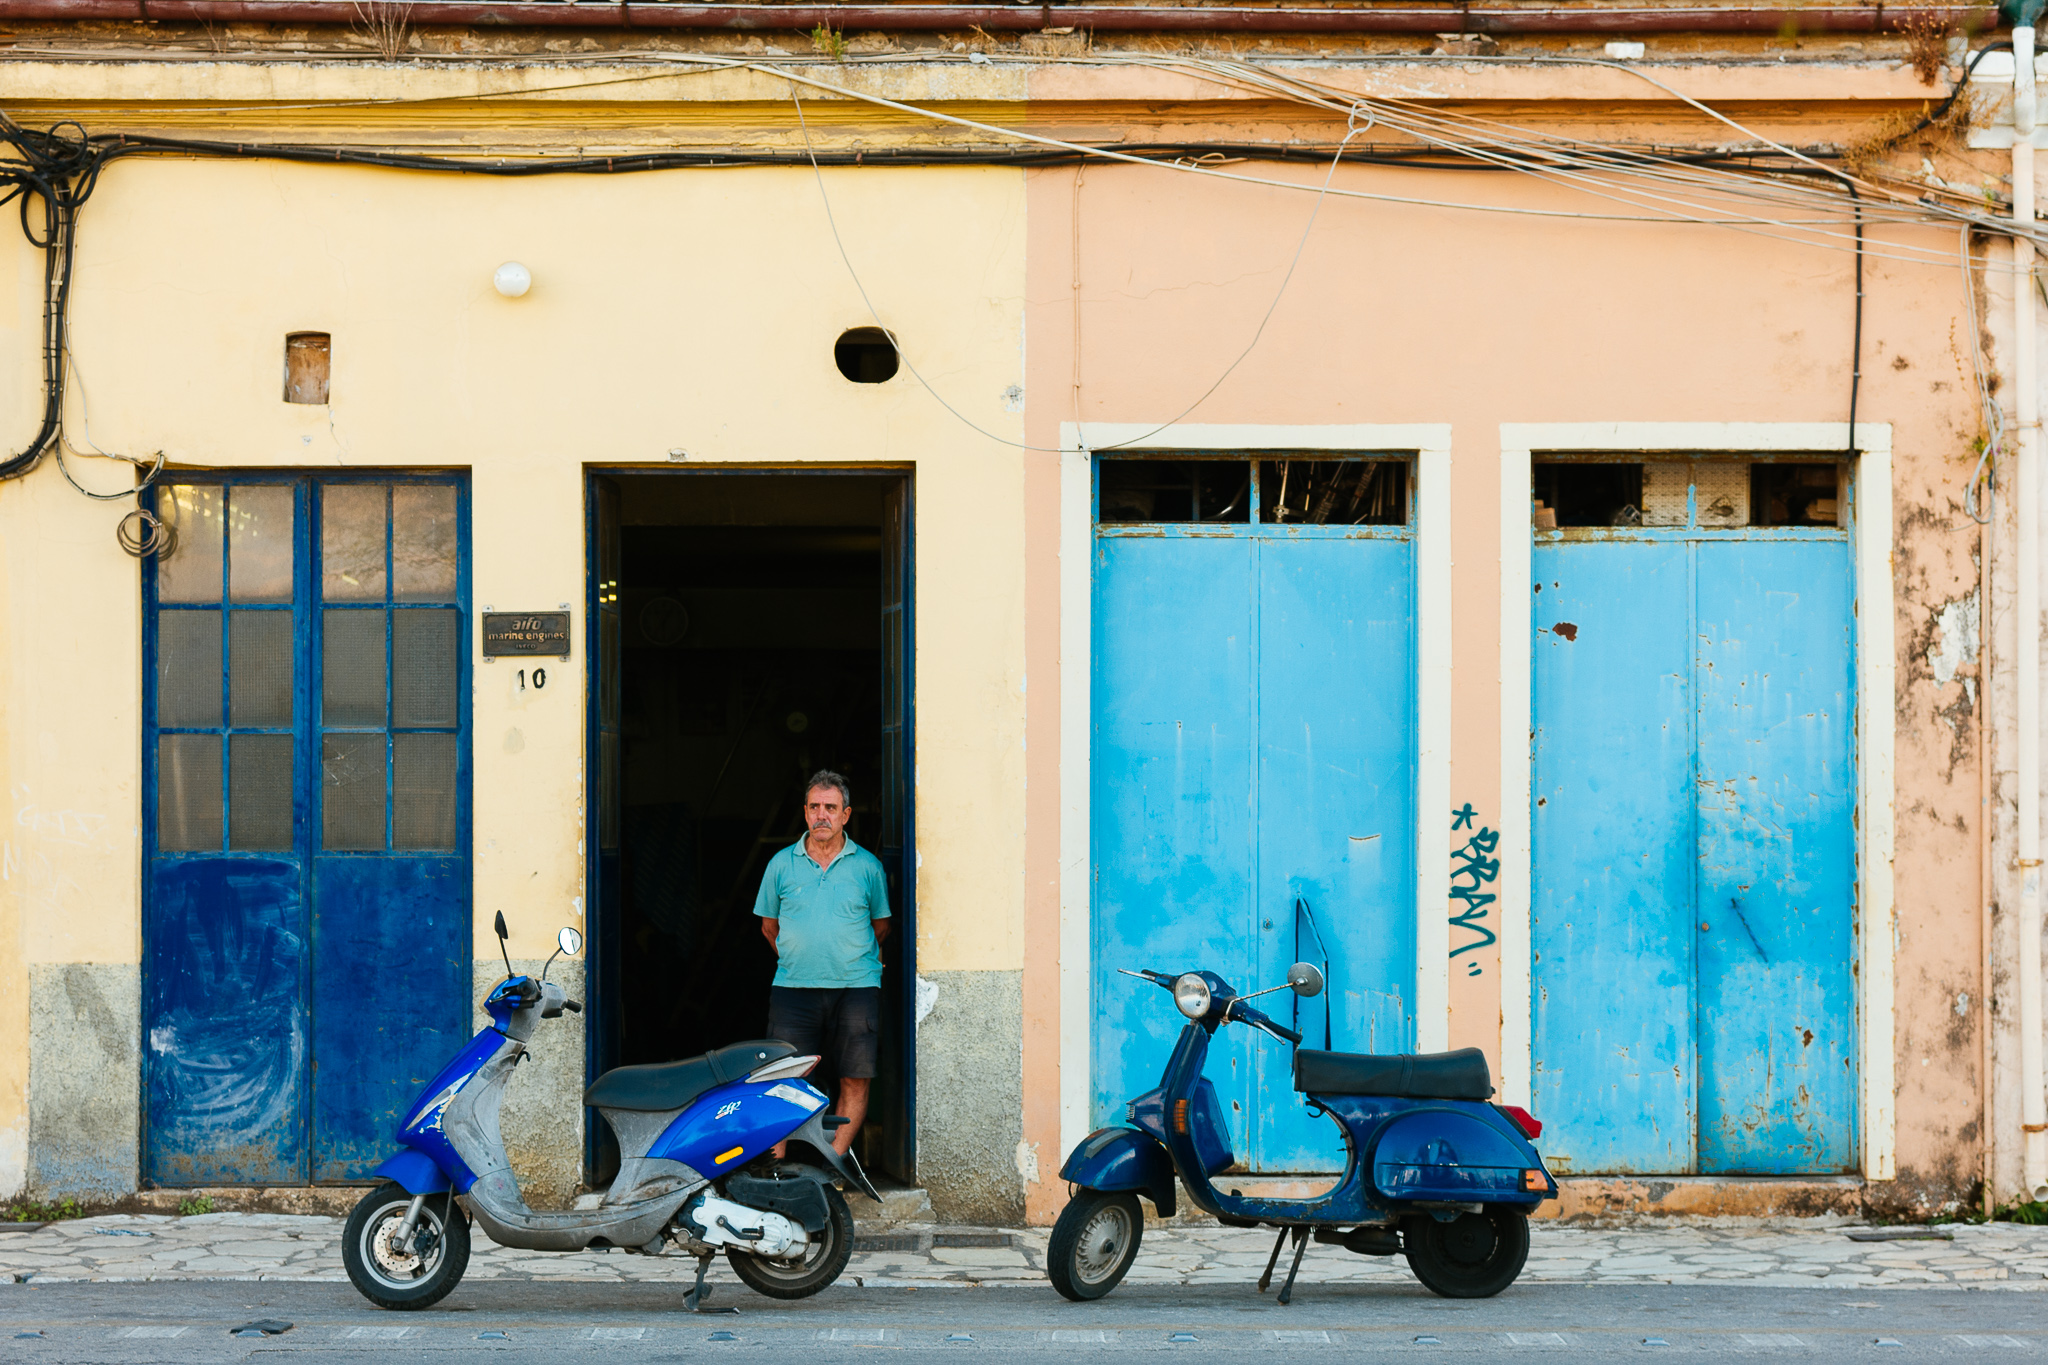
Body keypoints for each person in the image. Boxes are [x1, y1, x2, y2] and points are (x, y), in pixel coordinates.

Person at [755, 770, 891, 1156]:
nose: (821, 815)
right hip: (793, 989)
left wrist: (845, 958)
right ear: (804, 812)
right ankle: (777, 1168)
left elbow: (881, 927)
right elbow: (768, 927)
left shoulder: (867, 867)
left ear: (845, 815)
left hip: (856, 989)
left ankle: (834, 1165)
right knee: (783, 1080)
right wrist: (803, 958)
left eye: (830, 808)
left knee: (855, 1077)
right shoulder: (781, 865)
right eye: (814, 807)